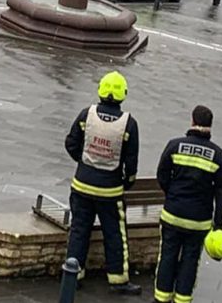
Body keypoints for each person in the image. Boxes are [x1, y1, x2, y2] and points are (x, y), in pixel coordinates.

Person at [63, 71, 142, 296]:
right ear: (122, 95)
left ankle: (73, 274)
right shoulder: (129, 124)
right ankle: (118, 280)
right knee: (115, 235)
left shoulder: (86, 115)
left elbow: (71, 143)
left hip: (82, 186)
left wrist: (84, 162)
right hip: (110, 191)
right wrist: (126, 181)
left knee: (79, 230)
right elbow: (131, 161)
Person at [154, 105, 222, 303]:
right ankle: (182, 299)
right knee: (190, 260)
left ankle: (161, 297)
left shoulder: (174, 145)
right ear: (210, 126)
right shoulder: (218, 155)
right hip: (199, 220)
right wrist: (220, 223)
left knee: (167, 256)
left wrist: (172, 194)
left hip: (173, 214)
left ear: (192, 121)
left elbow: (162, 175)